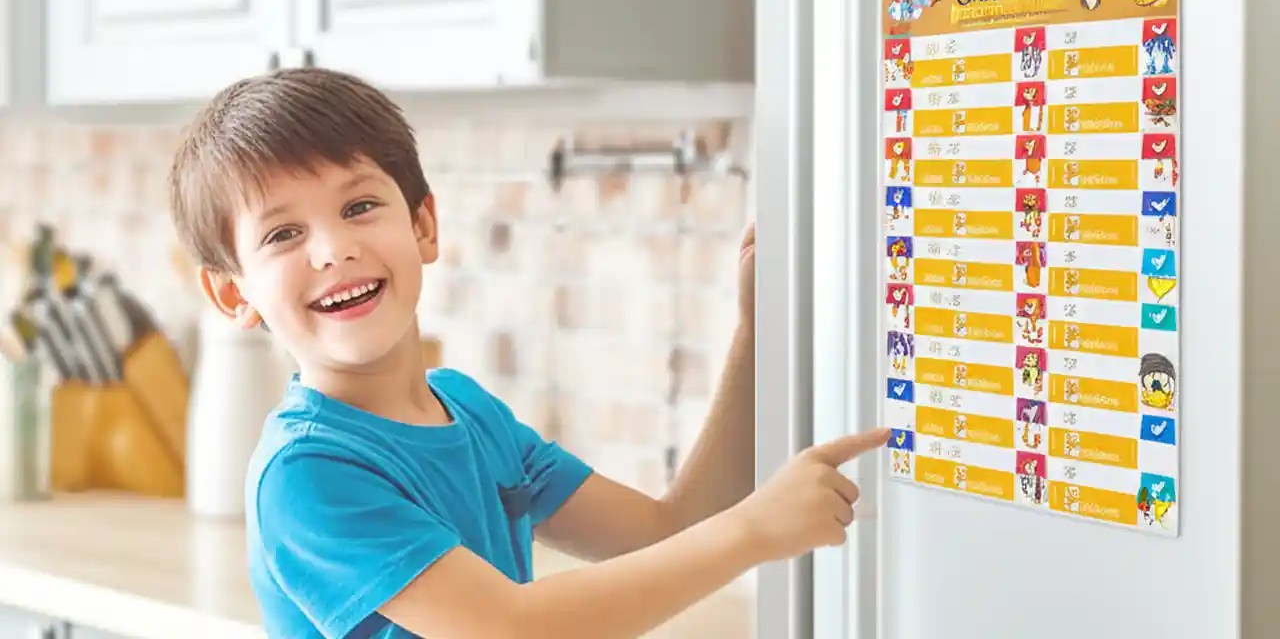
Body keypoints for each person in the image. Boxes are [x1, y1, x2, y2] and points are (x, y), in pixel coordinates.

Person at [169, 67, 888, 638]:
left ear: (424, 225)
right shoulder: (307, 474)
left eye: (359, 207)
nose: (334, 248)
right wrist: (755, 531)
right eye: (282, 235)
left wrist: (755, 334)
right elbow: (510, 630)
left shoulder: (472, 416)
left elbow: (665, 532)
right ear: (234, 296)